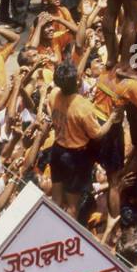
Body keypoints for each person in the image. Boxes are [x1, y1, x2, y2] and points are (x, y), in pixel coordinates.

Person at [49, 59, 121, 219]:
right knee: (73, 206)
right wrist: (112, 118)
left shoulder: (54, 94)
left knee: (56, 199)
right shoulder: (84, 107)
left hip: (57, 150)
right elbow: (98, 134)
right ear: (77, 80)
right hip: (75, 157)